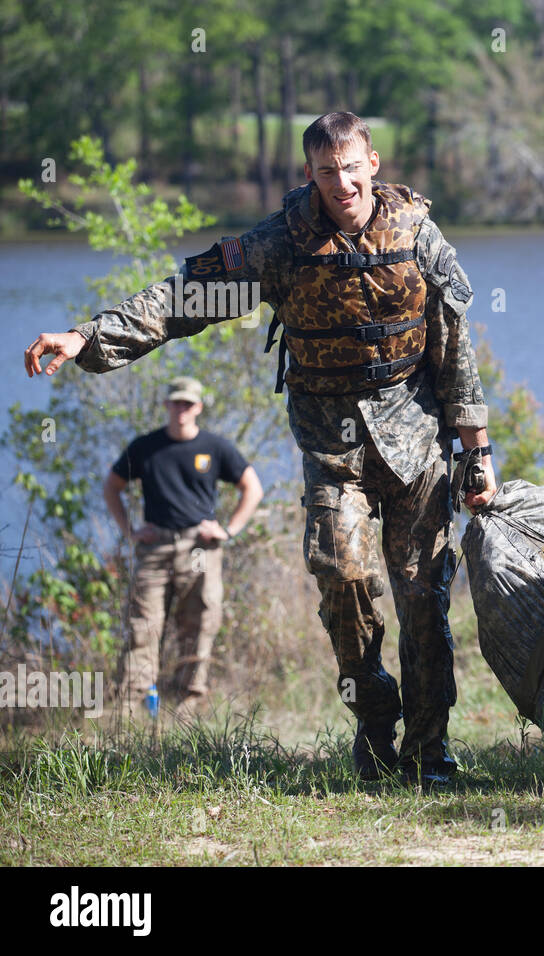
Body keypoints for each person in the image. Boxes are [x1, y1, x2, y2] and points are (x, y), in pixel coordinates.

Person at [25, 111, 498, 790]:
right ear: (310, 173)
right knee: (341, 577)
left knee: (425, 602)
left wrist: (478, 454)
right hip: (333, 446)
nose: (343, 184)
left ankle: (432, 755)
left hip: (419, 445)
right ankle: (373, 714)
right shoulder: (281, 245)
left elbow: (455, 348)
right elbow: (183, 297)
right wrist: (87, 337)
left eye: (352, 168)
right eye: (327, 172)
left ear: (373, 163)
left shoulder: (417, 233)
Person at [105, 375, 262, 720]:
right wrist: (130, 530)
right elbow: (111, 486)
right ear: (166, 405)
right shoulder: (145, 447)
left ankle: (188, 703)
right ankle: (132, 707)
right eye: (176, 403)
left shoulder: (215, 447)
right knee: (143, 625)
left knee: (199, 622)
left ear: (198, 408)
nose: (181, 410)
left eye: (188, 404)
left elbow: (252, 488)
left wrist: (228, 529)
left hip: (199, 547)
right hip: (156, 546)